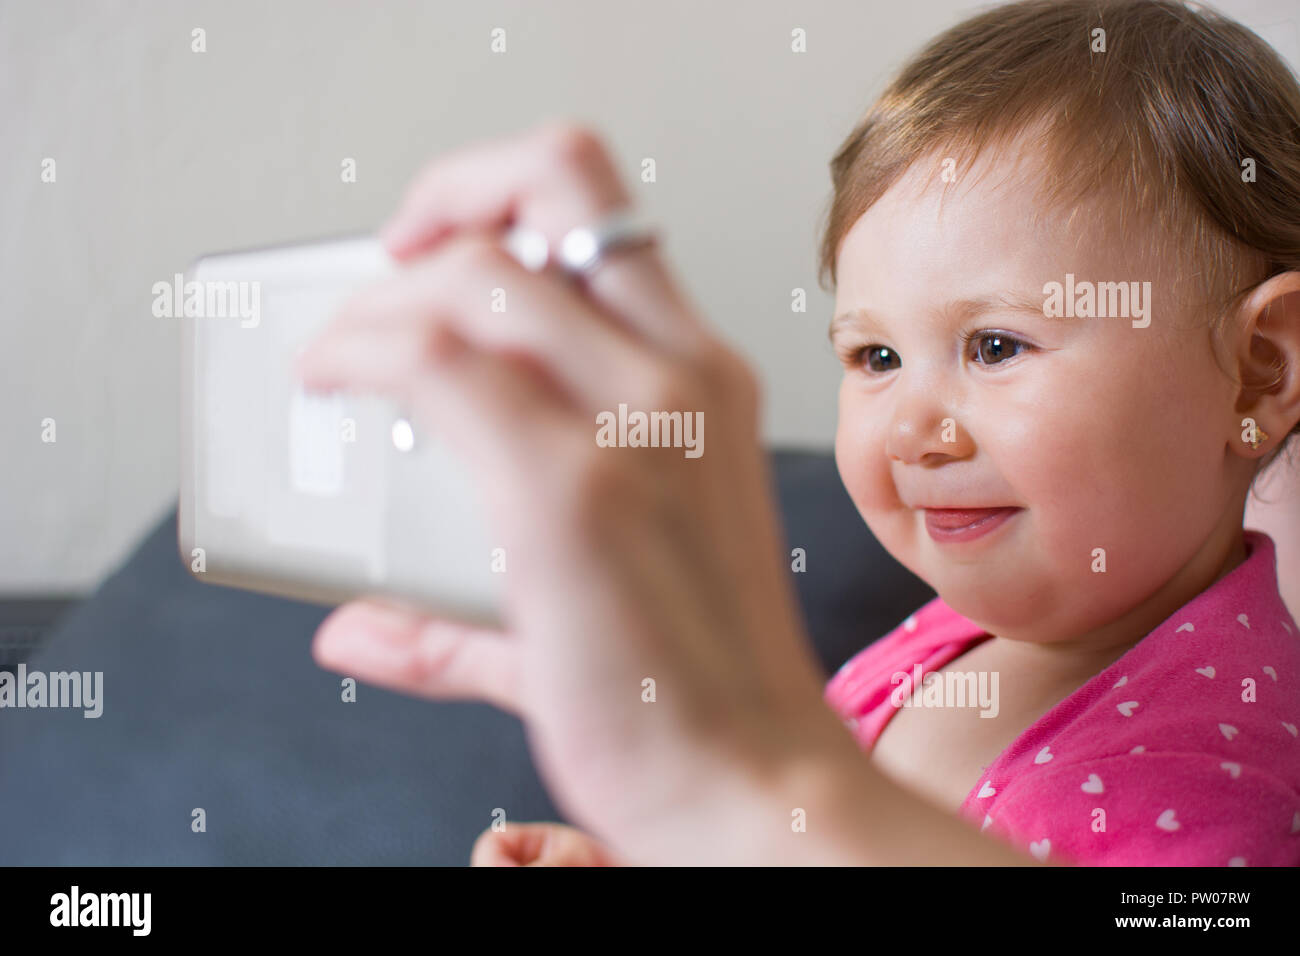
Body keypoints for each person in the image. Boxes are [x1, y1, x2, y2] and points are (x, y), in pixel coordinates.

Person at [294, 0, 1300, 866]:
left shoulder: (1219, 791)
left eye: (994, 344)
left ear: (1264, 368)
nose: (911, 427)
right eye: (873, 358)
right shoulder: (945, 639)